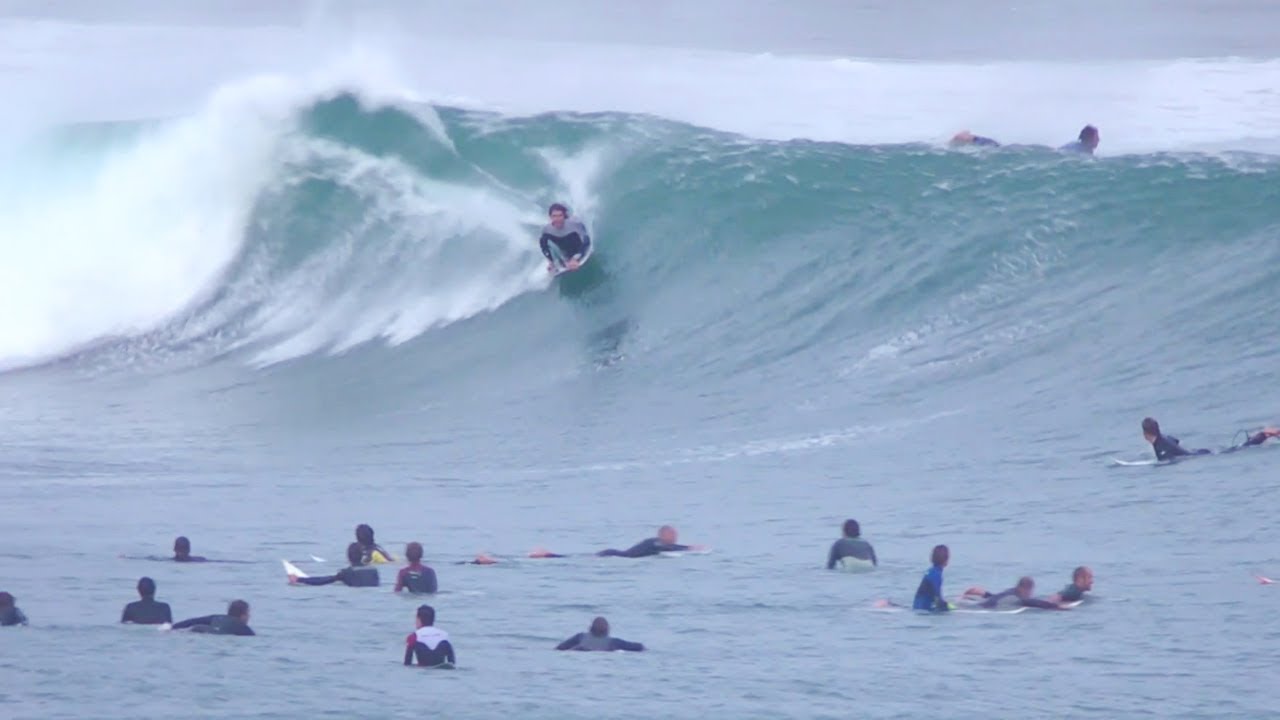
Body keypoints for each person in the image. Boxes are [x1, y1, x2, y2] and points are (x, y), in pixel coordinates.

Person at [291, 543, 379, 587]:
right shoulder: (374, 571)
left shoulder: (346, 573)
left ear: (348, 557)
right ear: (362, 556)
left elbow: (324, 580)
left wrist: (299, 579)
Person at [538, 203, 591, 273]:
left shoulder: (574, 224)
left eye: (560, 215)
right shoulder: (547, 230)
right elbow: (543, 246)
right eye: (554, 216)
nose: (557, 219)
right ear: (550, 217)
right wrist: (551, 261)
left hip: (581, 251)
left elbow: (586, 241)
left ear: (564, 216)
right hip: (566, 254)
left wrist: (576, 258)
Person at [597, 525, 704, 558]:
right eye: (672, 535)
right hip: (613, 554)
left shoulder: (658, 543)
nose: (675, 537)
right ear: (663, 535)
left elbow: (671, 547)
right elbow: (667, 548)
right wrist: (689, 548)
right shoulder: (655, 543)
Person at [965, 576, 1069, 610]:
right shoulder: (1019, 598)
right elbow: (1033, 602)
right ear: (1027, 589)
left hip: (981, 605)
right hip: (983, 609)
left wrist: (985, 594)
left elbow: (997, 597)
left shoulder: (1010, 592)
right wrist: (1055, 607)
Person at [556, 616, 645, 652]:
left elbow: (559, 648)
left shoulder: (580, 637)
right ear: (608, 630)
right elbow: (639, 647)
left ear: (590, 628)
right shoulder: (614, 642)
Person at [171, 600, 254, 636]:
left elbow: (191, 621)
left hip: (199, 629)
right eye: (248, 613)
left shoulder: (217, 617)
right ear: (243, 616)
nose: (249, 616)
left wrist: (172, 627)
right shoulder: (244, 628)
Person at [912, 545, 951, 612]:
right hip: (924, 610)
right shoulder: (936, 575)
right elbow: (938, 599)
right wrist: (949, 608)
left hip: (917, 606)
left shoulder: (930, 571)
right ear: (946, 560)